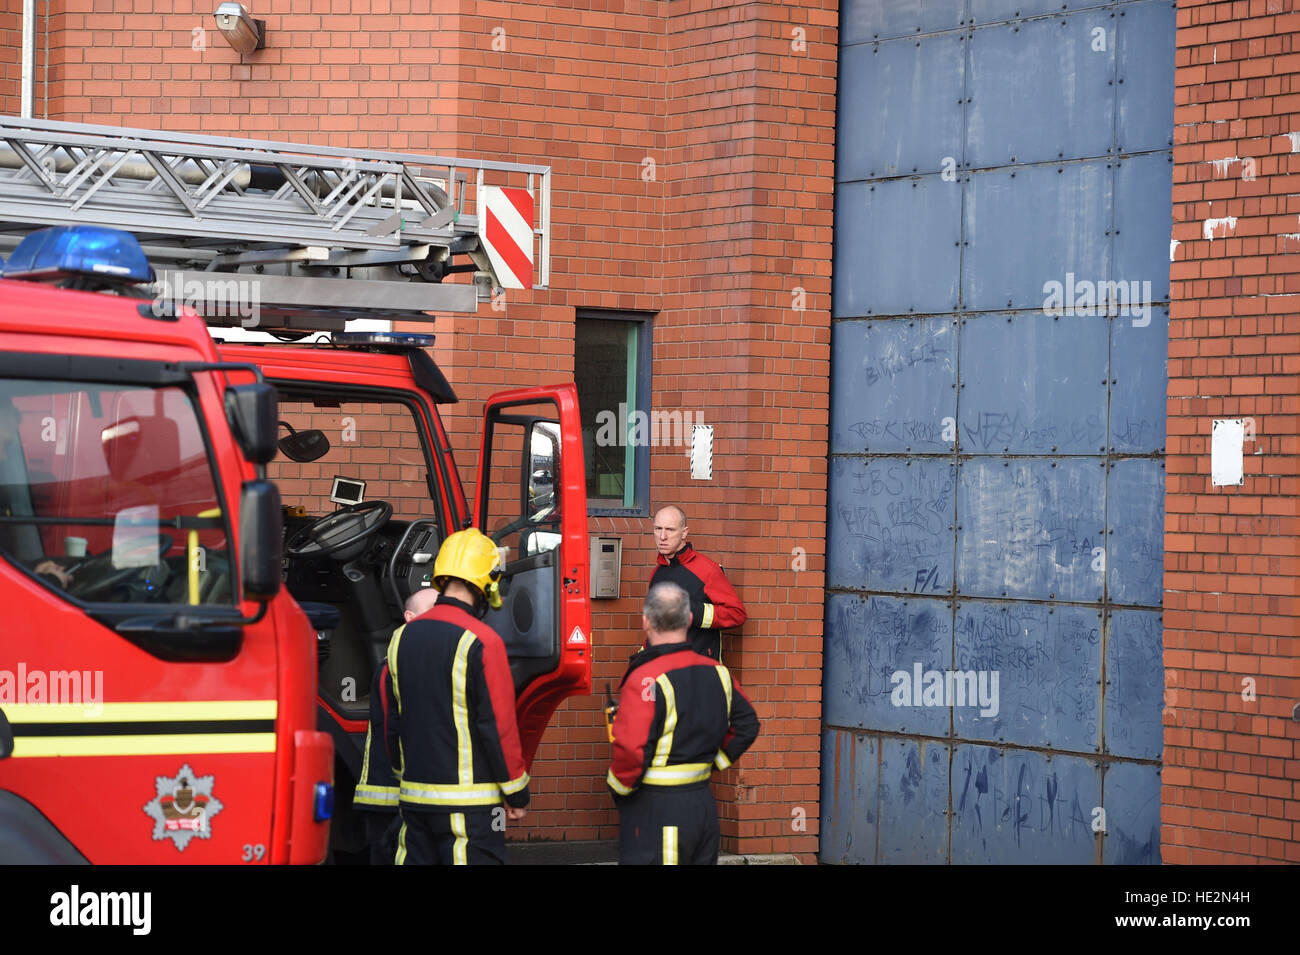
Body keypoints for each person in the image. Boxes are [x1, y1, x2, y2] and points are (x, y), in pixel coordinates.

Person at [383, 529, 530, 865]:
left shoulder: (400, 638)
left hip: (414, 797)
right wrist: (515, 791)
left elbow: (392, 722)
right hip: (468, 807)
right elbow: (498, 725)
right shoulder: (483, 641)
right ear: (486, 583)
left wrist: (401, 774)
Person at [607, 582, 760, 865]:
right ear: (689, 619)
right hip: (703, 805)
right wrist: (714, 761)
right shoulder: (718, 672)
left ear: (646, 621)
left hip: (658, 809)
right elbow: (747, 724)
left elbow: (631, 750)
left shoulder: (646, 676)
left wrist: (618, 788)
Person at [353, 587, 439, 864]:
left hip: (398, 796)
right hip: (392, 798)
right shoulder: (401, 666)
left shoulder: (402, 660)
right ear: (409, 617)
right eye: (433, 613)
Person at [648, 505, 746, 660]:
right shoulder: (658, 573)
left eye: (670, 530)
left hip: (699, 669)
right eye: (658, 529)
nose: (662, 536)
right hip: (665, 668)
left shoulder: (706, 570)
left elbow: (737, 614)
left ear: (684, 533)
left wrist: (690, 609)